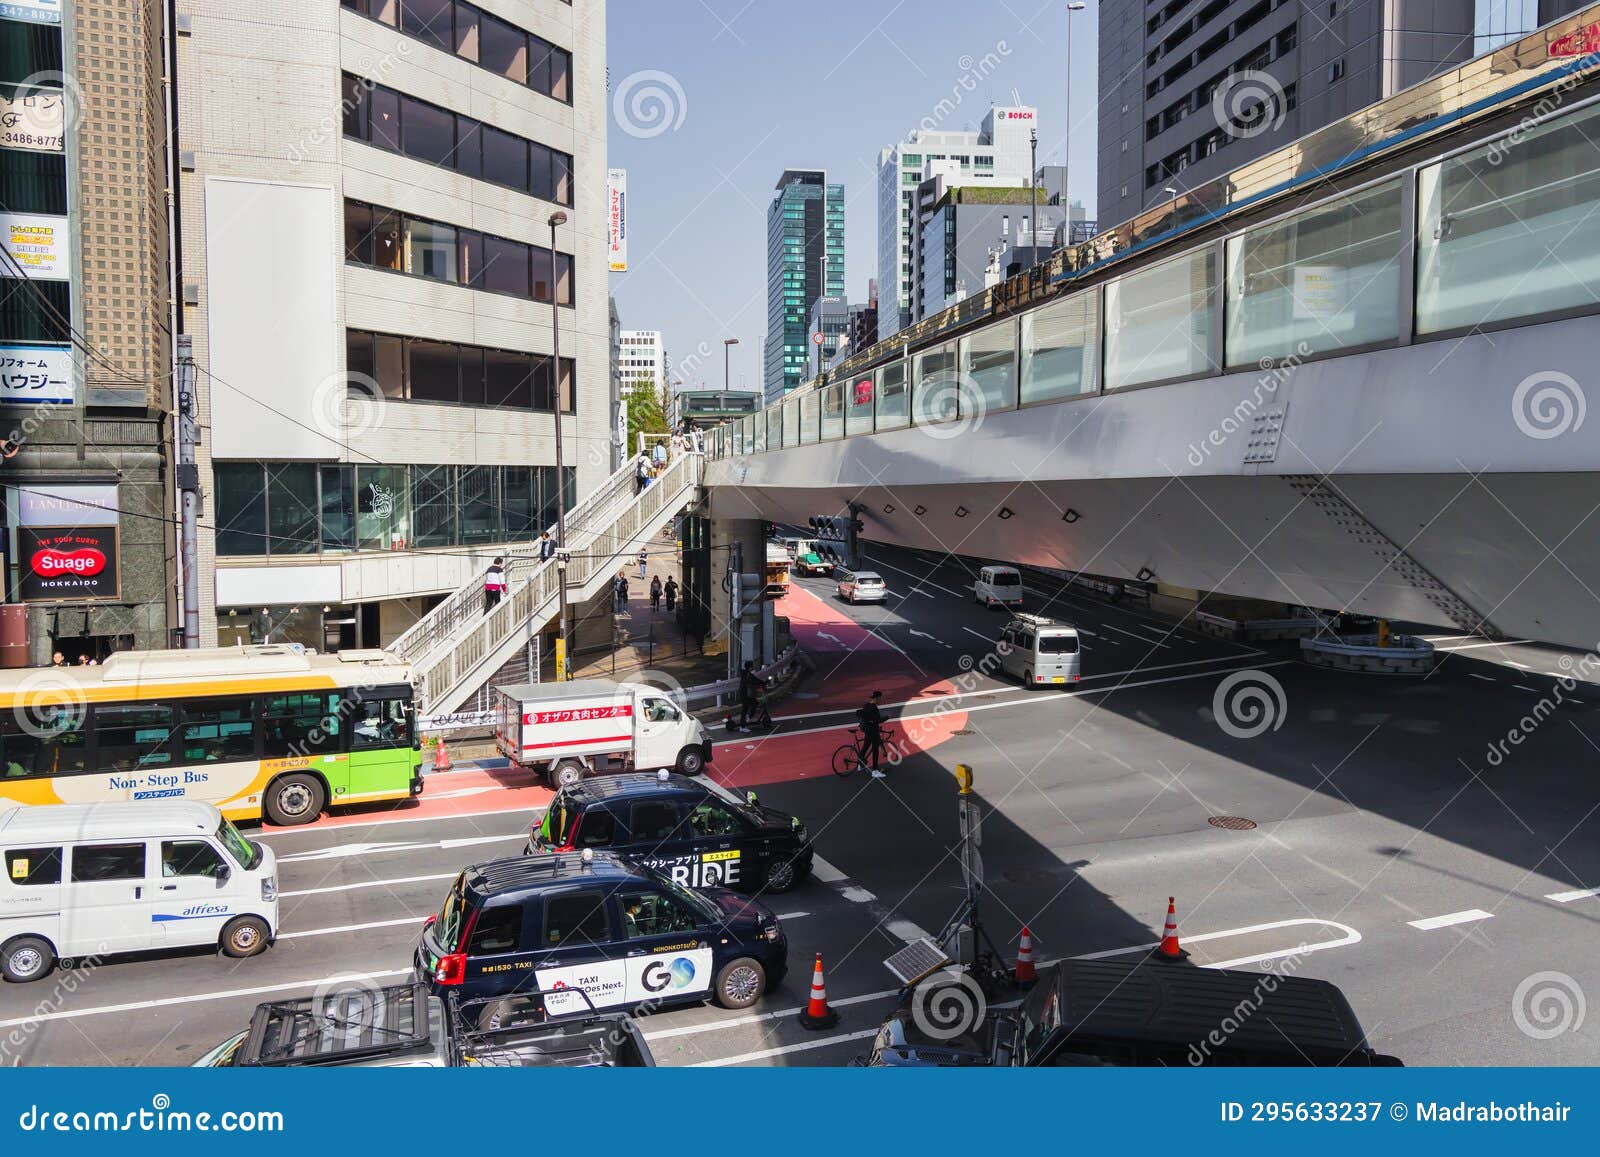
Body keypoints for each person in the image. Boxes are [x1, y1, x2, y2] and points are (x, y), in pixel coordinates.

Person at [859, 690, 886, 779]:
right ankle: (875, 771)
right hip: (872, 730)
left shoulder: (866, 705)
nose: (881, 700)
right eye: (880, 698)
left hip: (866, 729)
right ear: (877, 698)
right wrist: (887, 717)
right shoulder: (874, 707)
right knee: (875, 749)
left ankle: (860, 765)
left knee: (865, 746)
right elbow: (877, 720)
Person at [738, 660, 767, 733]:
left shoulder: (746, 673)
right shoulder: (748, 675)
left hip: (745, 694)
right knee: (746, 708)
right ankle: (743, 726)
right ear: (750, 667)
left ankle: (748, 718)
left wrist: (761, 683)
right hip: (745, 694)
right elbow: (754, 680)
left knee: (753, 704)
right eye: (752, 666)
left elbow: (754, 679)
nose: (753, 667)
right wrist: (763, 683)